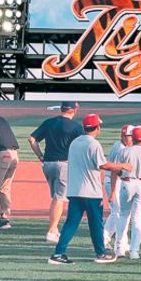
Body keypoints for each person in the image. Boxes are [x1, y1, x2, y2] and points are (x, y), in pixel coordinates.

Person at [50, 114, 116, 265]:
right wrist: (122, 166)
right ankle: (100, 253)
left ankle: (58, 253)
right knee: (96, 224)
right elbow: (103, 165)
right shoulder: (94, 144)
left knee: (71, 223)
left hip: (75, 191)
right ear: (97, 128)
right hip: (91, 192)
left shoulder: (75, 142)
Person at [31, 100, 83, 244]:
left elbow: (32, 139)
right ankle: (51, 231)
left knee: (56, 197)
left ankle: (54, 230)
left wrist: (40, 156)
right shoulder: (76, 127)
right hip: (64, 165)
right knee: (59, 199)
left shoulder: (49, 122)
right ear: (74, 110)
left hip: (47, 164)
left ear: (61, 109)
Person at [106, 126, 141, 259]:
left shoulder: (124, 152)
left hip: (127, 183)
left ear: (134, 137)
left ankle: (120, 248)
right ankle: (134, 251)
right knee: (138, 218)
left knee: (123, 215)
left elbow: (115, 171)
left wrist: (113, 190)